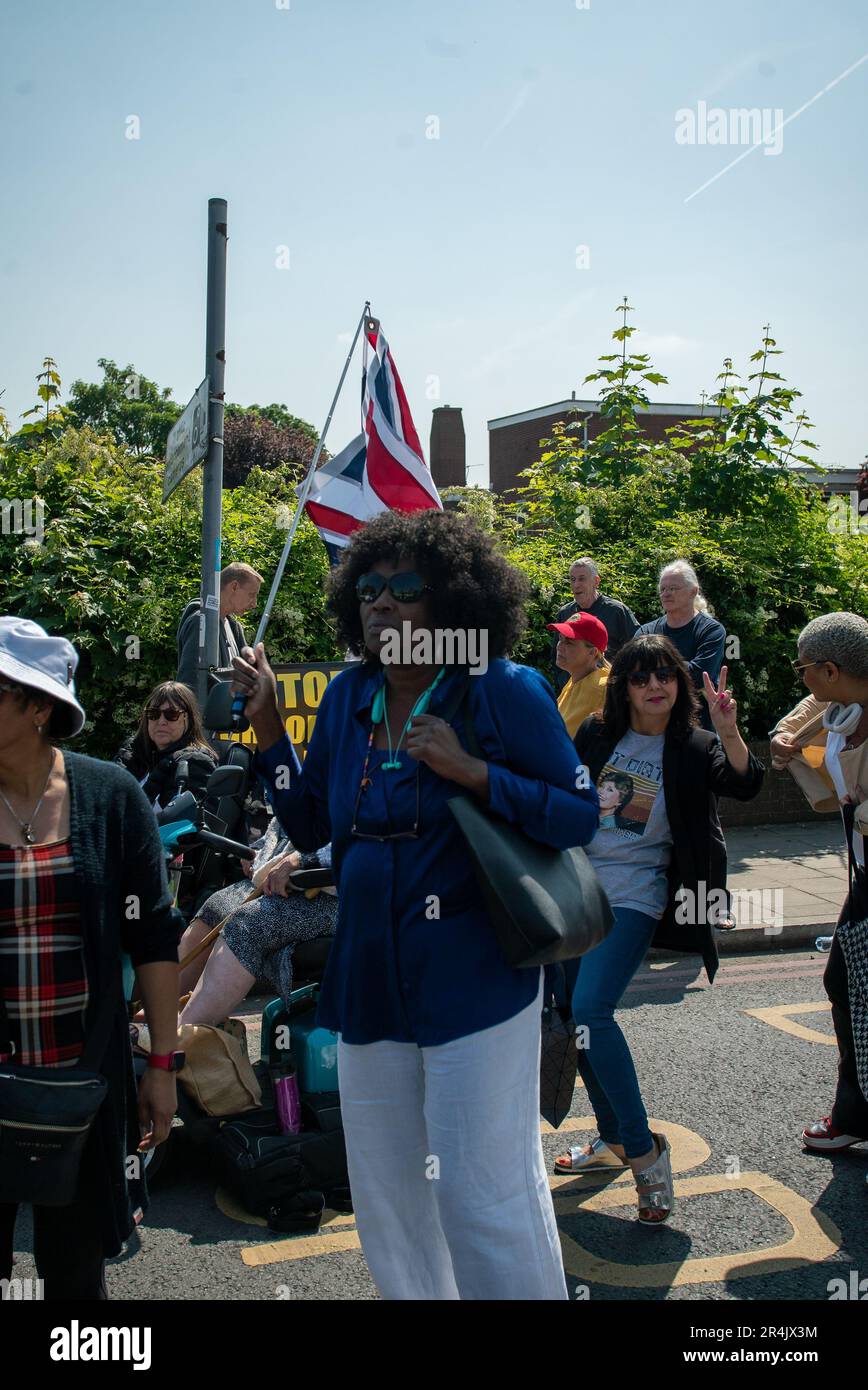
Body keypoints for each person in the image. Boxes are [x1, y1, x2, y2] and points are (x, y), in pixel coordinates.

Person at [231, 509, 599, 1301]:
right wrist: (267, 724)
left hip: (476, 978)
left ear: (455, 604)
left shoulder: (500, 689)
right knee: (389, 1192)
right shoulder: (348, 695)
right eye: (369, 588)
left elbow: (578, 813)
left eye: (405, 588)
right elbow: (311, 826)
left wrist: (473, 772)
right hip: (369, 978)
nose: (382, 603)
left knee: (479, 1187)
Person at [0, 617, 182, 1300]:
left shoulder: (109, 797)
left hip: (79, 1088)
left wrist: (161, 1065)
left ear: (38, 705)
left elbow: (155, 941)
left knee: (75, 1279)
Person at [554, 635, 763, 1224]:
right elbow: (558, 794)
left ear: (678, 685)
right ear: (622, 686)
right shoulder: (596, 735)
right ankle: (612, 1139)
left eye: (664, 677)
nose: (654, 687)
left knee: (593, 1011)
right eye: (641, 678)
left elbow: (745, 782)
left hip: (635, 897)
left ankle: (645, 1153)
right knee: (574, 1018)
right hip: (573, 890)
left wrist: (728, 730)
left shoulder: (694, 746)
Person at [769, 612, 868, 1164]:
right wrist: (787, 741)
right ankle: (854, 1112)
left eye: (805, 668)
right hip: (862, 870)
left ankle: (854, 1113)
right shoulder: (839, 706)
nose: (800, 676)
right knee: (846, 980)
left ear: (832, 669)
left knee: (849, 980)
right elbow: (798, 722)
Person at [177, 819, 336, 1025]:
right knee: (217, 904)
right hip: (294, 883)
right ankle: (165, 1009)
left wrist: (299, 859)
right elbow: (286, 830)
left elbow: (354, 838)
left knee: (248, 923)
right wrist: (261, 851)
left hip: (338, 896)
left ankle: (184, 1033)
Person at [635, 560, 725, 731]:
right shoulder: (646, 631)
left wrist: (653, 667)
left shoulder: (711, 630)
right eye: (663, 590)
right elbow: (632, 672)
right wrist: (680, 667)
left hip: (698, 728)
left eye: (673, 588)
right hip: (652, 727)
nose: (666, 594)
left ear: (693, 592)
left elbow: (699, 676)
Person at [115, 681, 218, 809]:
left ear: (188, 719)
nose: (161, 721)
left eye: (171, 714)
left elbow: (188, 823)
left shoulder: (196, 762)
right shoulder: (131, 754)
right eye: (153, 714)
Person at [550, 557, 638, 691]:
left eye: (581, 579)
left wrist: (619, 682)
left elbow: (637, 649)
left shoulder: (617, 611)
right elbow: (556, 657)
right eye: (572, 579)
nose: (576, 585)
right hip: (573, 691)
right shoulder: (565, 613)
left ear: (596, 581)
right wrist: (564, 684)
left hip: (607, 690)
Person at [176, 562, 263, 691]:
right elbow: (189, 681)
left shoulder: (235, 628)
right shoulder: (200, 623)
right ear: (234, 586)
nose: (254, 603)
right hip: (204, 711)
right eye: (251, 595)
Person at [546, 612, 610, 738]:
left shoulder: (603, 688)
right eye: (560, 638)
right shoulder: (575, 678)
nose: (559, 646)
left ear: (593, 652)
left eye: (569, 642)